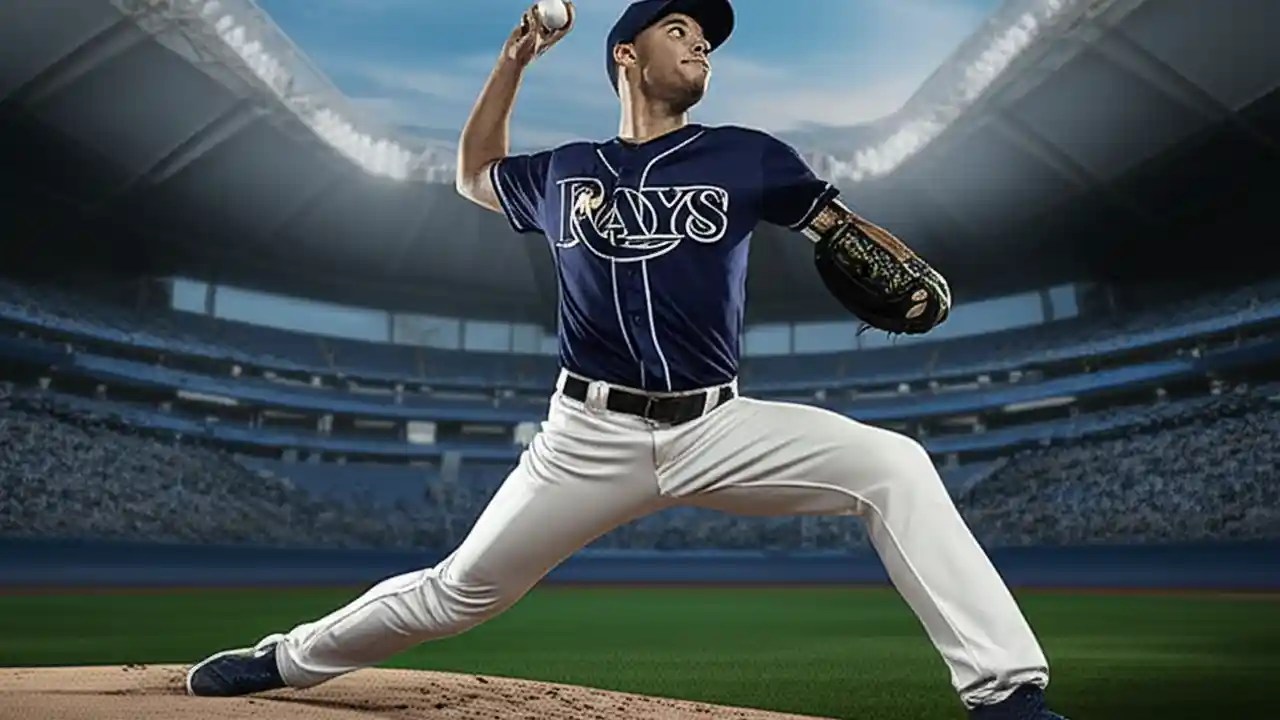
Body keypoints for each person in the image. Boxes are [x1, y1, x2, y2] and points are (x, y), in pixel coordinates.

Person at [185, 2, 1065, 718]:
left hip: (718, 423)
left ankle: (1008, 698)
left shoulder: (747, 155)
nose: (701, 47)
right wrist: (515, 61)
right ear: (626, 56)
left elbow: (840, 229)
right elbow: (472, 173)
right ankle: (287, 659)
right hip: (585, 439)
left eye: (707, 39)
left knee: (894, 465)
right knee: (459, 593)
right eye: (679, 30)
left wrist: (872, 248)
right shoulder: (567, 170)